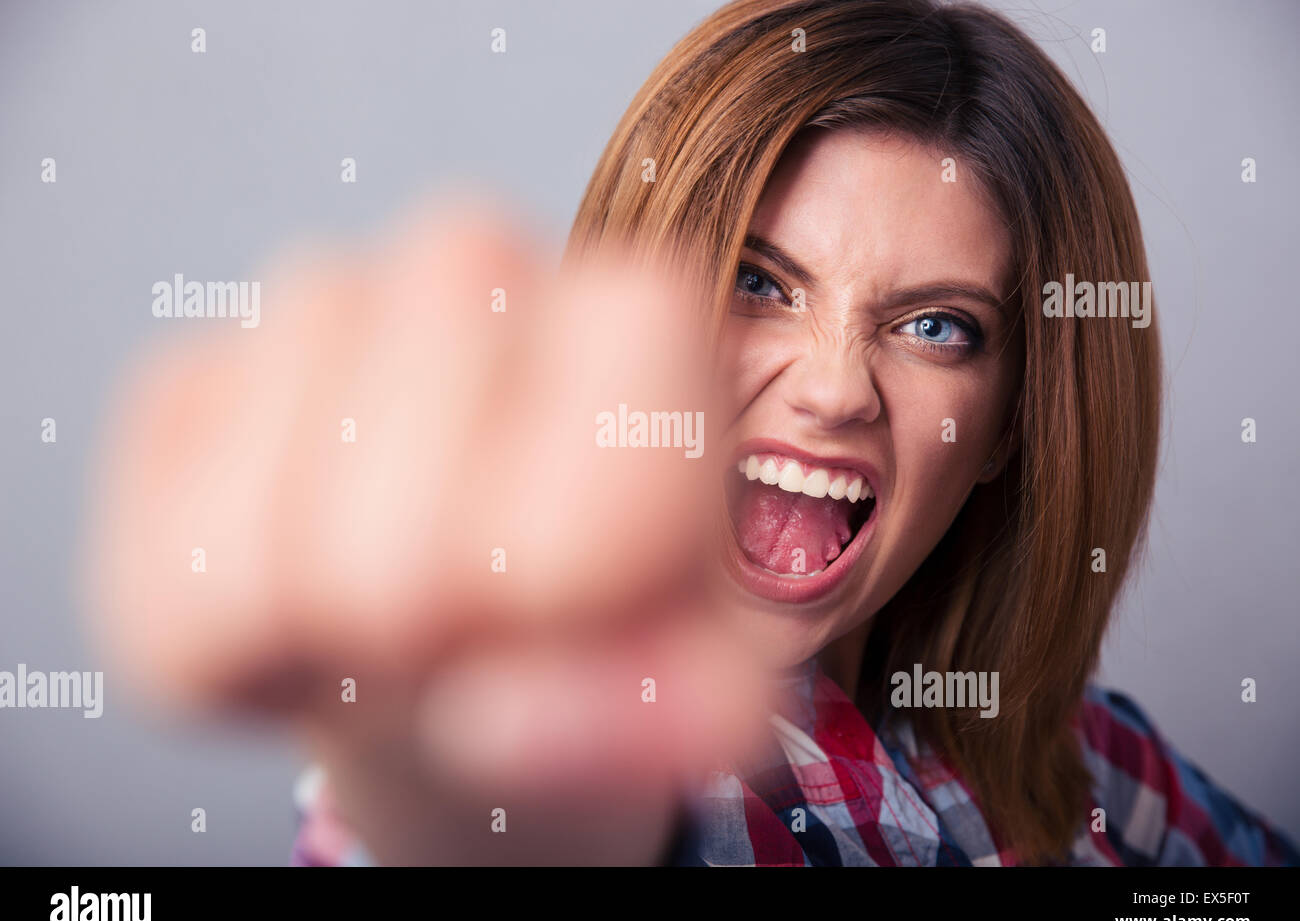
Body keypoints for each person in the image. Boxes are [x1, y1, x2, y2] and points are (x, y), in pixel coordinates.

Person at [87, 0, 1299, 866]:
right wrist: (450, 784)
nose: (832, 389)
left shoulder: (1081, 763)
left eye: (935, 325)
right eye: (761, 283)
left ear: (1007, 428)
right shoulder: (612, 773)